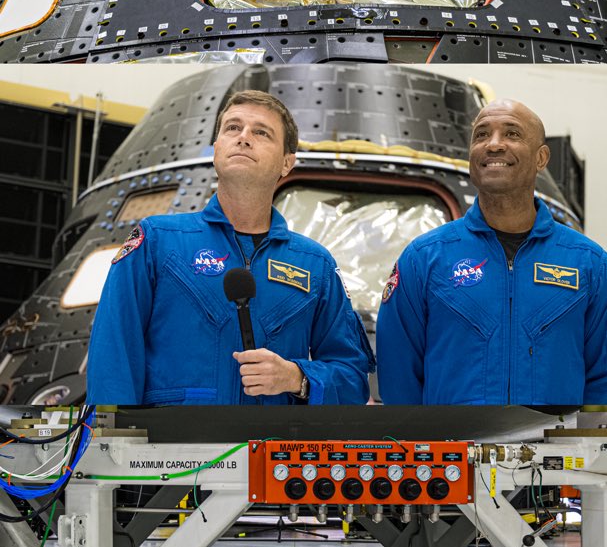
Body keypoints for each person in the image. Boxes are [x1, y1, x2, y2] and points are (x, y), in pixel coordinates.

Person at [87, 90, 374, 405]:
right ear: (216, 149)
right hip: (173, 447)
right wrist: (113, 444)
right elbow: (113, 352)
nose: (244, 137)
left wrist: (296, 377)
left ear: (286, 162)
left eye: (261, 132)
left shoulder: (315, 265)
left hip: (272, 447)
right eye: (232, 128)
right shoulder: (156, 241)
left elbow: (352, 379)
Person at [376, 99, 607, 406]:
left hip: (556, 452)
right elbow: (398, 377)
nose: (494, 145)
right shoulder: (424, 258)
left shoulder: (589, 264)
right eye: (482, 135)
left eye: (512, 134)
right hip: (451, 449)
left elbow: (602, 380)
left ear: (541, 158)